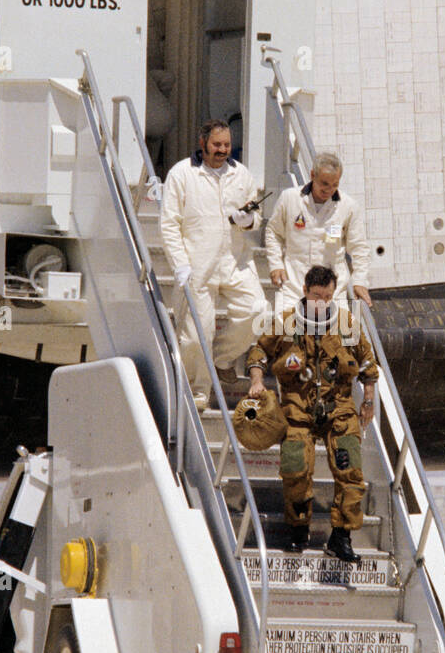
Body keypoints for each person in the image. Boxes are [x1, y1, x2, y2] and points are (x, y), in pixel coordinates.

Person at [245, 265, 377, 562]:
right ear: (305, 292)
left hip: (339, 408)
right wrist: (256, 381)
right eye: (317, 296)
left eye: (328, 296)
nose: (322, 302)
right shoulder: (285, 323)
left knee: (350, 471)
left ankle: (341, 537)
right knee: (296, 467)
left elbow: (368, 364)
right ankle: (298, 528)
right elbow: (258, 353)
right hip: (297, 408)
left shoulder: (346, 324)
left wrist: (368, 401)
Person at [160, 120, 267, 408]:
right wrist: (180, 263)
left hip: (235, 262)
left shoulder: (241, 174)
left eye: (226, 145)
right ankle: (199, 391)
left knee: (257, 311)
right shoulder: (182, 174)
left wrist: (249, 221)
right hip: (197, 265)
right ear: (203, 142)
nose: (222, 150)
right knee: (196, 336)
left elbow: (255, 212)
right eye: (217, 145)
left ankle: (220, 358)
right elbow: (169, 224)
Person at [265, 152, 372, 312]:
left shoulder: (348, 207)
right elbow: (273, 232)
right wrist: (275, 264)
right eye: (324, 183)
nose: (329, 189)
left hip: (332, 290)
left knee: (334, 335)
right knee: (288, 332)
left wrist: (359, 280)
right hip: (295, 283)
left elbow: (359, 248)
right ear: (312, 175)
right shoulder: (290, 199)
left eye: (335, 184)